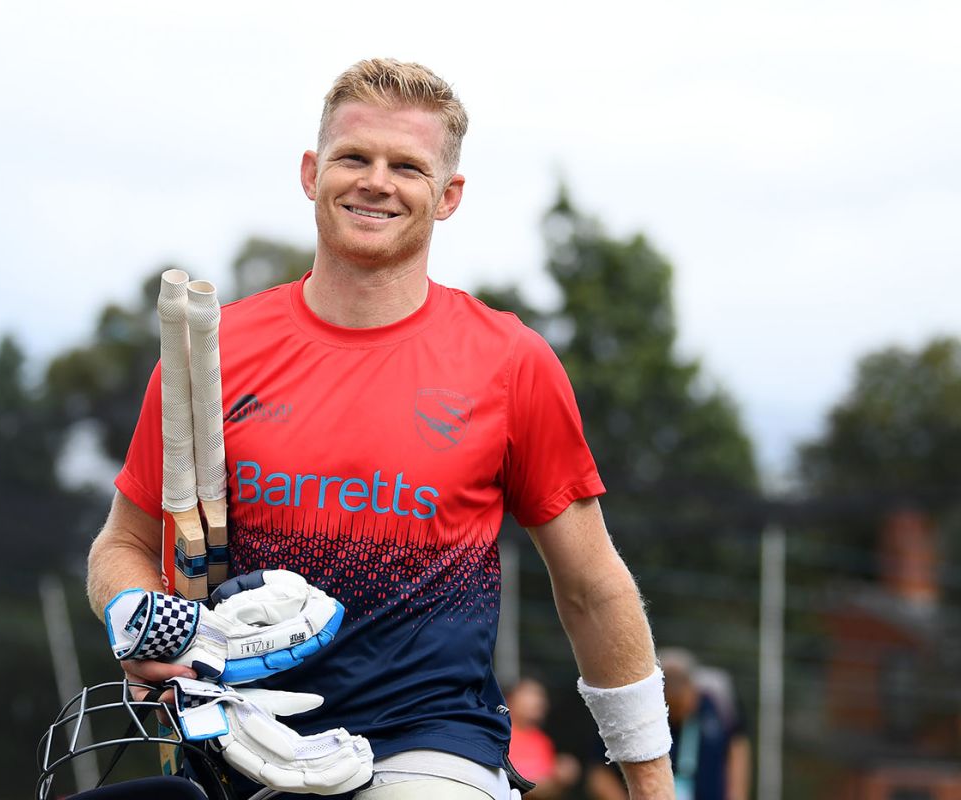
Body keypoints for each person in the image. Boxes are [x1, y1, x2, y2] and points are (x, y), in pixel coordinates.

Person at [86, 58, 675, 800]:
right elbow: (124, 544)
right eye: (353, 158)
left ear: (448, 195)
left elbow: (591, 588)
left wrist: (652, 786)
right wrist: (141, 616)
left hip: (431, 745)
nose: (376, 182)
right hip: (241, 743)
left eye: (407, 166)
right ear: (311, 173)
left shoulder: (509, 361)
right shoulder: (211, 354)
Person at [587, 649, 749, 800]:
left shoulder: (715, 705)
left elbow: (737, 748)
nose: (680, 714)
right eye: (672, 707)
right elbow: (599, 774)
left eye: (682, 705)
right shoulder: (633, 716)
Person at [505, 677, 581, 798]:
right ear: (510, 700)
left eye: (541, 696)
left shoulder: (542, 741)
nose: (539, 701)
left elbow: (545, 789)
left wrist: (561, 776)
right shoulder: (500, 735)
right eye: (530, 694)